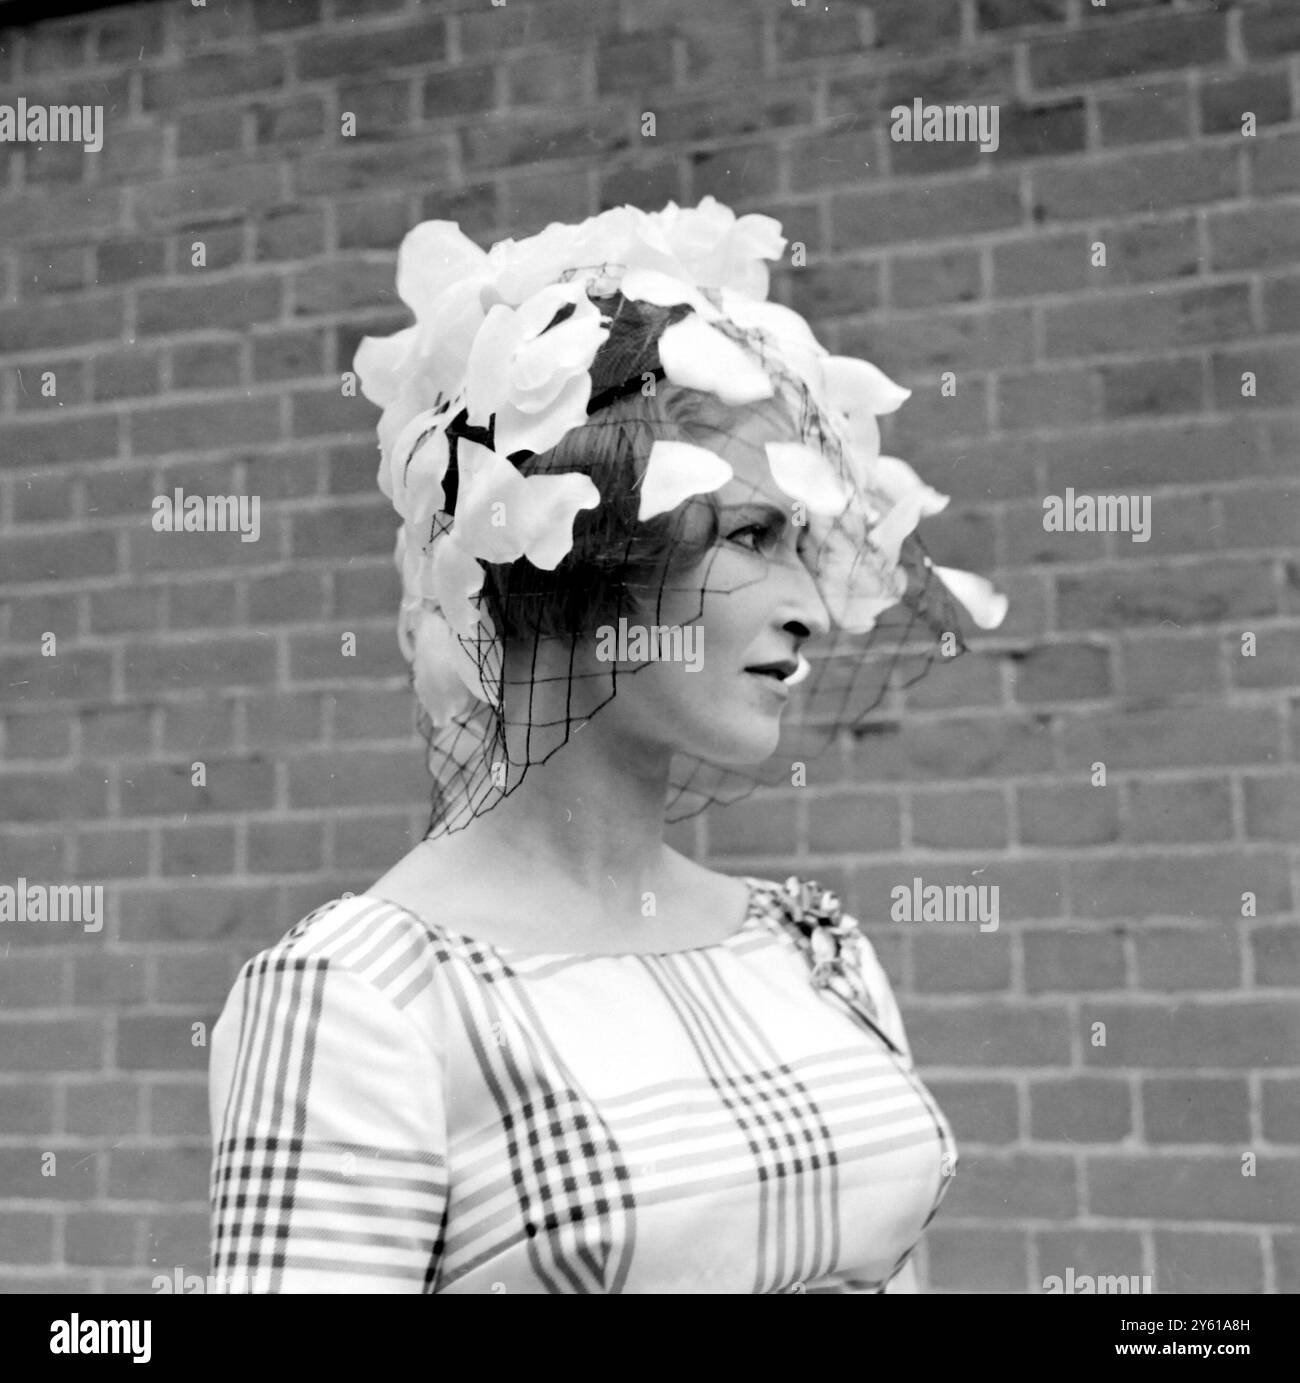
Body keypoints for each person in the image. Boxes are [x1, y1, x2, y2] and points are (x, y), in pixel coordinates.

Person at [207, 197, 1007, 1293]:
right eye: (753, 536)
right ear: (584, 557)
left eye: (804, 543)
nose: (814, 610)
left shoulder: (813, 950)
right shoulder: (368, 998)